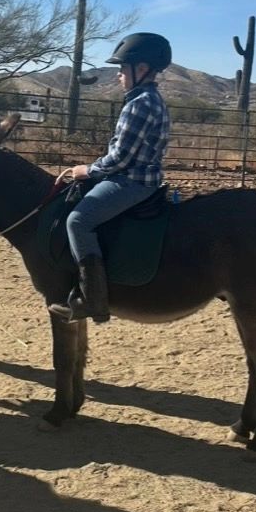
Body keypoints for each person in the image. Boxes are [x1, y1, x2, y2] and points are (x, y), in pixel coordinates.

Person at [48, 32, 172, 323]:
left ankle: (93, 299)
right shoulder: (149, 99)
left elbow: (120, 158)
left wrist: (87, 170)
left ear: (142, 69)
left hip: (131, 181)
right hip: (139, 177)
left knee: (77, 221)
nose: (119, 74)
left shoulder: (140, 104)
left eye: (123, 68)